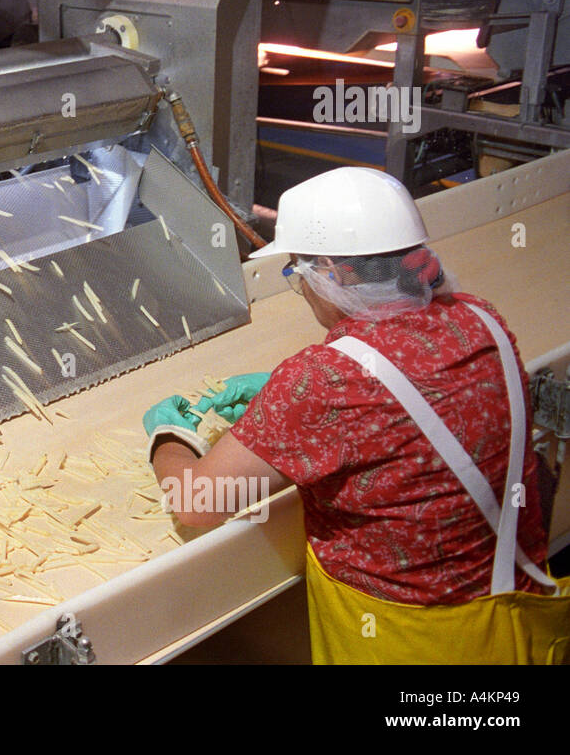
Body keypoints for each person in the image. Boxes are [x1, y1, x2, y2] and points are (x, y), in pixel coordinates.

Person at [142, 166, 569, 664]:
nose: (301, 290)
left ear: (334, 272)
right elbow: (411, 396)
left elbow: (198, 502)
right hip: (513, 629)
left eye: (297, 273)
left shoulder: (323, 382)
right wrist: (281, 395)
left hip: (406, 645)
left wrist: (167, 437)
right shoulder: (480, 319)